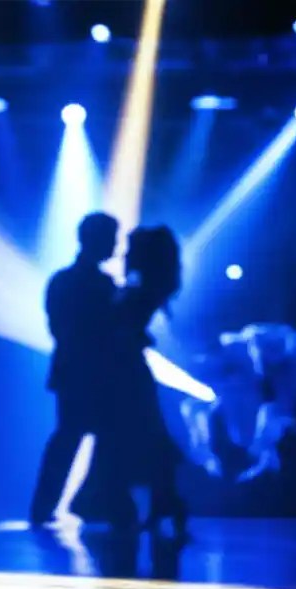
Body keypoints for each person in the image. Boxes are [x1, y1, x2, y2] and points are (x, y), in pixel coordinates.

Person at [28, 213, 122, 526]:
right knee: (81, 436)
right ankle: (83, 503)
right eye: (111, 237)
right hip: (90, 372)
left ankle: (50, 506)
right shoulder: (101, 285)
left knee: (71, 437)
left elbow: (58, 327)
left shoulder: (64, 281)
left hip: (74, 370)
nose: (115, 245)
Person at [105, 225, 188, 536]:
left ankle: (164, 503)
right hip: (129, 371)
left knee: (143, 436)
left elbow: (124, 328)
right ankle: (165, 503)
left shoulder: (140, 292)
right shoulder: (147, 290)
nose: (124, 255)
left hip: (127, 372)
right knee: (148, 436)